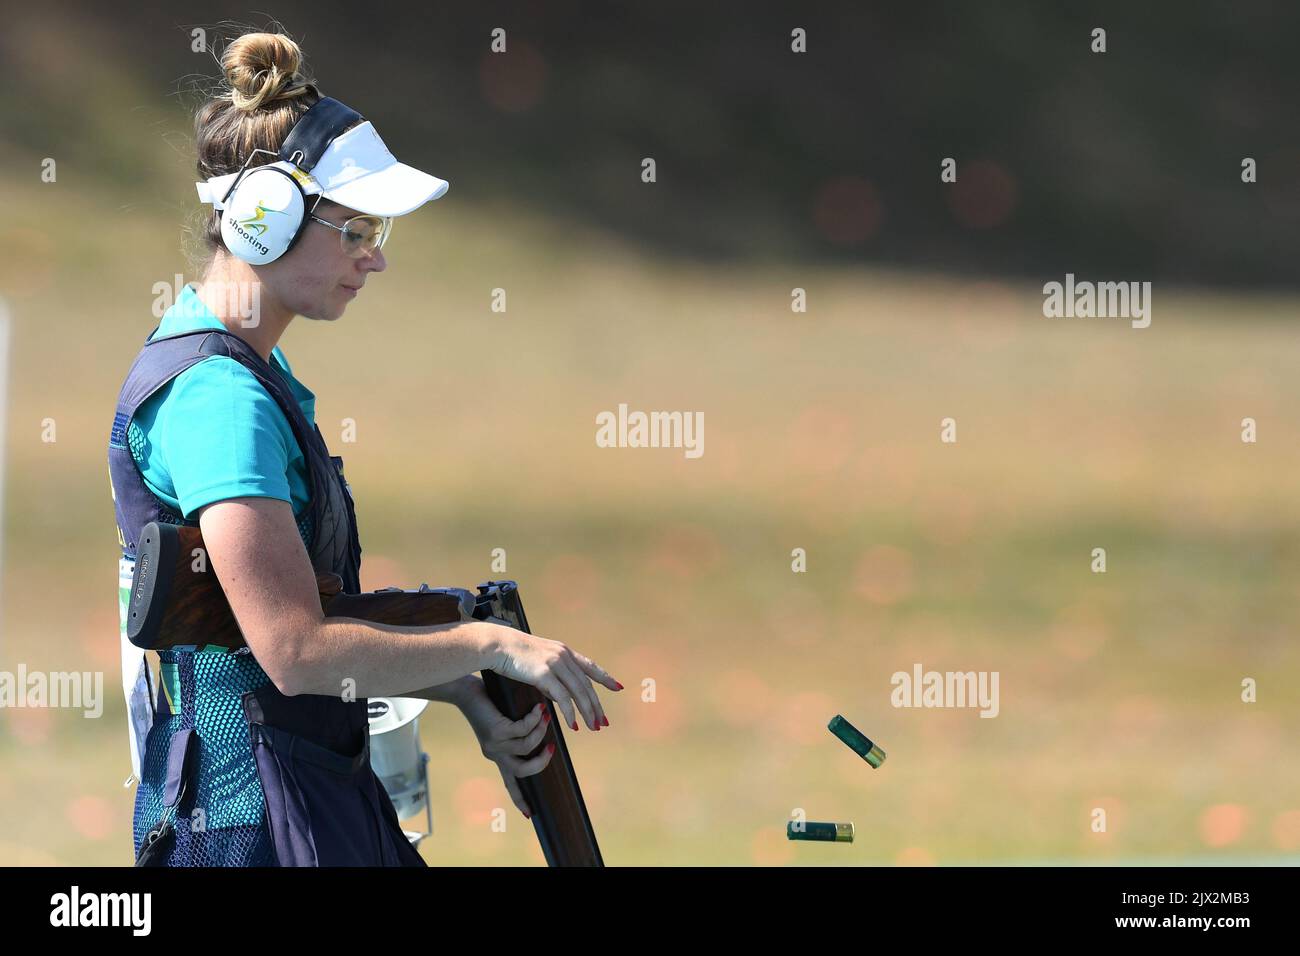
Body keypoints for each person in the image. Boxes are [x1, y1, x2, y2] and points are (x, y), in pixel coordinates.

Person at [107, 29, 620, 866]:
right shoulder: (219, 399)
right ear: (263, 221)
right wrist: (489, 646)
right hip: (253, 817)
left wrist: (460, 689)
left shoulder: (244, 374)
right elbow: (294, 649)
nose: (374, 258)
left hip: (297, 790)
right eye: (354, 230)